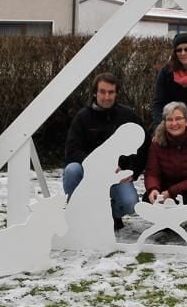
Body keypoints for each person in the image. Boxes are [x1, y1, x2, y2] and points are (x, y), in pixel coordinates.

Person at [63, 72, 147, 230]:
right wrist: (97, 166)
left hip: (117, 173)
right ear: (95, 92)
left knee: (130, 203)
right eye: (102, 92)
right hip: (88, 172)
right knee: (71, 169)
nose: (106, 97)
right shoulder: (82, 117)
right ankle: (78, 214)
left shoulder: (127, 115)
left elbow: (144, 147)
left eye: (111, 92)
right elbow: (72, 150)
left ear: (116, 93)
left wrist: (133, 171)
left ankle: (113, 216)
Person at [144, 101, 187, 241]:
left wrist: (172, 192)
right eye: (169, 119)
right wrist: (153, 189)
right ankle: (166, 224)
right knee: (148, 199)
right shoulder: (157, 142)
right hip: (167, 186)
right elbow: (152, 172)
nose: (174, 123)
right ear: (164, 122)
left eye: (178, 119)